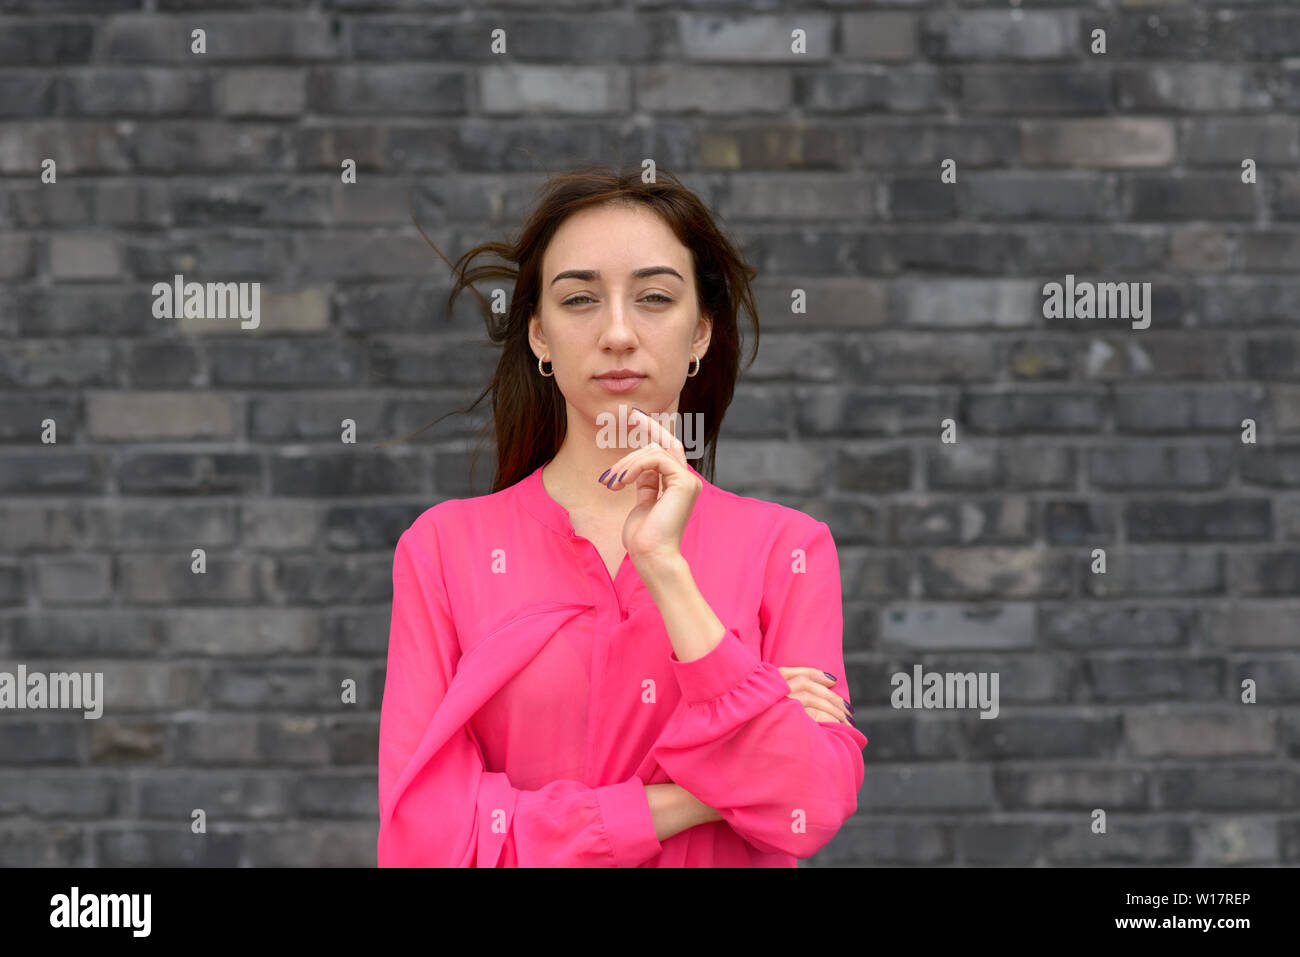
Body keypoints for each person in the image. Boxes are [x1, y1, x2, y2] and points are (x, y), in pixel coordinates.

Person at [377, 166, 867, 866]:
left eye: (654, 298)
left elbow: (808, 807)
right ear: (539, 336)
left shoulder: (786, 548)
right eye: (579, 299)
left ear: (701, 333)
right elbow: (423, 838)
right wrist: (702, 788)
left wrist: (666, 568)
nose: (616, 332)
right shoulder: (445, 549)